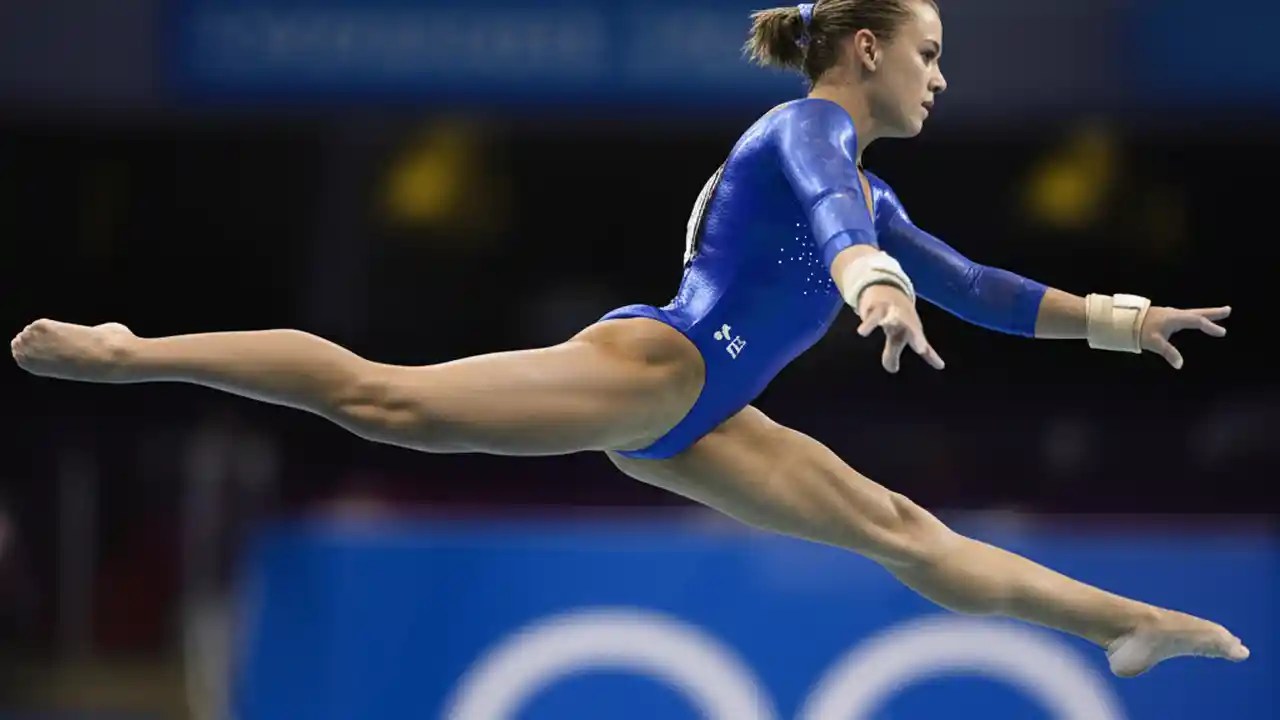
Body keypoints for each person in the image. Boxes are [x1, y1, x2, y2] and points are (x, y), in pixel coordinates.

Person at [11, 0, 1246, 678]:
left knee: (905, 537)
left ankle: (1121, 624)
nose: (939, 78)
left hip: (700, 417)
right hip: (652, 365)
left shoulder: (872, 192)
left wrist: (1126, 325)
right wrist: (870, 287)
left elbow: (974, 283)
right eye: (928, 54)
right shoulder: (798, 135)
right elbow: (825, 215)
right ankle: (133, 349)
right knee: (392, 404)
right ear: (863, 50)